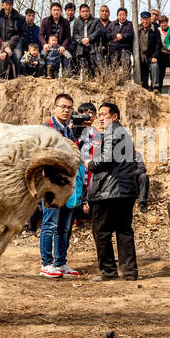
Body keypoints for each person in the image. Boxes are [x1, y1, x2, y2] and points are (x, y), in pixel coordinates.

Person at [85, 102, 138, 281]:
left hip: (108, 191)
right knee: (124, 231)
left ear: (114, 116)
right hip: (125, 191)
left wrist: (89, 164)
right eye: (98, 114)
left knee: (101, 232)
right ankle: (130, 273)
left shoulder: (111, 132)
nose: (100, 117)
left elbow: (106, 158)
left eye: (104, 114)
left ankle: (109, 272)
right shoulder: (124, 134)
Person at [40, 93, 83, 279]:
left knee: (64, 227)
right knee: (49, 224)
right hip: (51, 185)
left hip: (67, 185)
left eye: (69, 108)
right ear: (54, 108)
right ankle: (46, 264)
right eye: (62, 107)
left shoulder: (69, 130)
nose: (66, 110)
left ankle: (60, 262)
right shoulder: (46, 129)